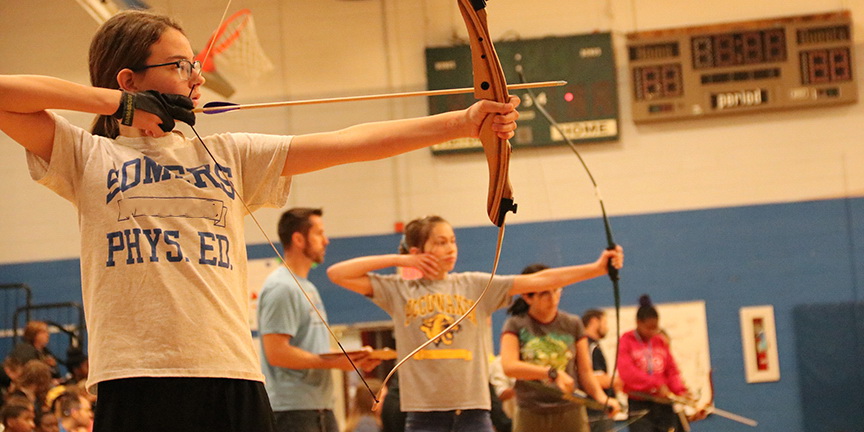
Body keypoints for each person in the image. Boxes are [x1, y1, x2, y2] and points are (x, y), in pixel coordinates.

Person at [0, 9, 518, 432]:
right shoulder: (87, 156)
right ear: (130, 78)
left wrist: (464, 122)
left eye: (194, 65)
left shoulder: (229, 154)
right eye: (180, 66)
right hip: (135, 377)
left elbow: (349, 143)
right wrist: (117, 103)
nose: (197, 78)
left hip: (231, 375)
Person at [327, 215, 623, 432]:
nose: (450, 248)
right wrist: (400, 260)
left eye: (452, 241)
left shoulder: (475, 285)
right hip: (423, 414)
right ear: (417, 252)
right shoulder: (398, 290)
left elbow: (539, 280)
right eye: (440, 242)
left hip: (473, 413)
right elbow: (337, 273)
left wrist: (596, 269)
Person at [258, 208, 381, 432]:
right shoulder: (281, 287)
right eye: (319, 233)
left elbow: (313, 351)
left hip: (319, 407)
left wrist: (352, 358)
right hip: (293, 411)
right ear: (298, 239)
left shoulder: (308, 287)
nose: (326, 240)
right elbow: (276, 352)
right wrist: (333, 363)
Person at [499, 264, 620, 432]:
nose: (553, 298)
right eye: (544, 293)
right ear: (527, 297)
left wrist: (602, 398)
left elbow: (585, 371)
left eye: (556, 290)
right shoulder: (515, 324)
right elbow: (509, 366)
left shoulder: (573, 323)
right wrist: (551, 373)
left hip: (570, 410)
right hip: (530, 412)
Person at [617, 295, 688, 432]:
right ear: (638, 323)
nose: (652, 332)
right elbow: (627, 373)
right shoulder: (626, 341)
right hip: (639, 403)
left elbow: (671, 370)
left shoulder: (659, 341)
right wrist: (656, 385)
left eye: (655, 328)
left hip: (663, 404)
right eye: (649, 328)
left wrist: (679, 390)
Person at [581, 309, 620, 432]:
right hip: (595, 410)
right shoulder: (589, 346)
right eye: (605, 323)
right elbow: (593, 377)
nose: (607, 328)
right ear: (594, 321)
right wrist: (618, 382)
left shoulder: (590, 345)